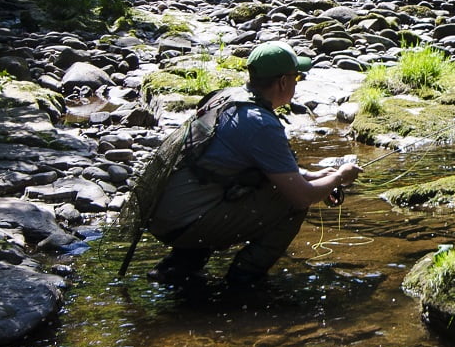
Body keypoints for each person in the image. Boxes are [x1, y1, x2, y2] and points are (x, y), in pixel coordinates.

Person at [147, 40, 361, 287]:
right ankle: (244, 281)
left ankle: (178, 267)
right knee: (290, 203)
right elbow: (300, 196)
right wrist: (338, 177)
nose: (296, 83)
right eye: (297, 78)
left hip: (165, 214)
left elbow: (252, 166)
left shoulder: (227, 97)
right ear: (283, 82)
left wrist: (314, 175)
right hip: (184, 222)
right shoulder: (260, 123)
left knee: (272, 189)